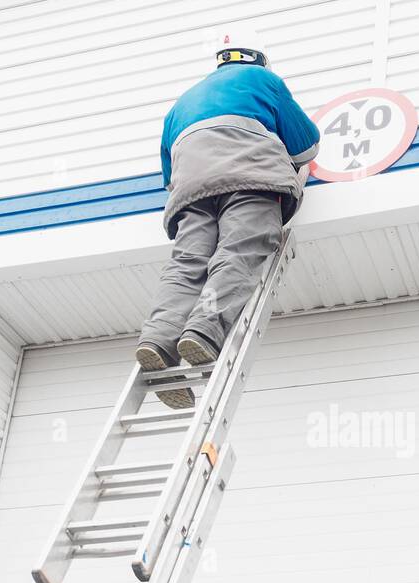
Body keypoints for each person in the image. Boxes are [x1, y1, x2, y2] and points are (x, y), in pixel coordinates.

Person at [137, 27, 320, 409]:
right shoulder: (262, 79)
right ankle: (205, 329)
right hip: (249, 176)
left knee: (187, 264)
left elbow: (168, 177)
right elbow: (307, 145)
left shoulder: (181, 103)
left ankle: (158, 337)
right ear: (259, 59)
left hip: (190, 189)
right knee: (238, 249)